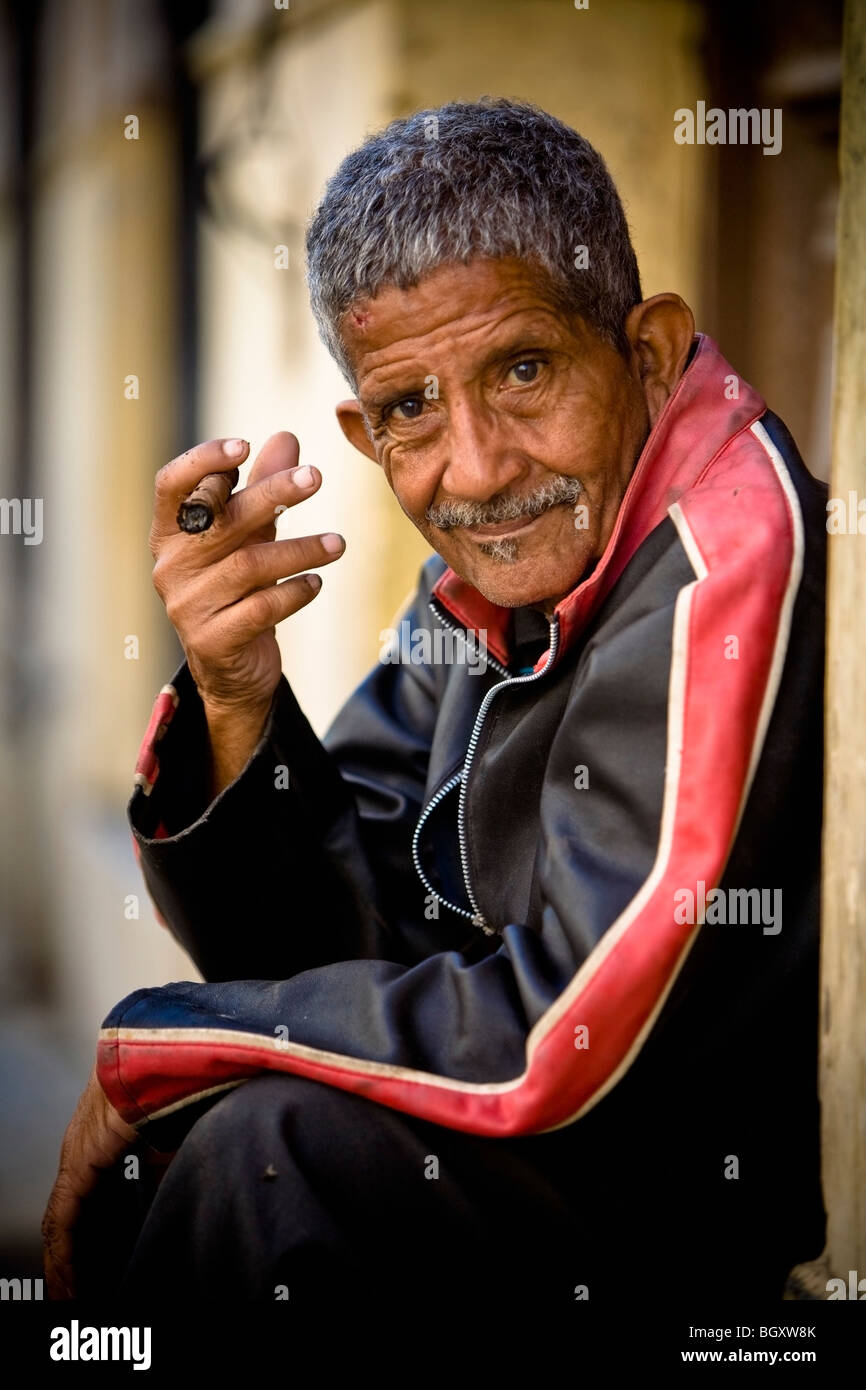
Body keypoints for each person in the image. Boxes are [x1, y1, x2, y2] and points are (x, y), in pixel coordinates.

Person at [43, 98, 827, 1308]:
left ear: (649, 352)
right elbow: (320, 951)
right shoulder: (489, 573)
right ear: (365, 433)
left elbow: (563, 1032)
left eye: (522, 370)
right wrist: (236, 691)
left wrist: (162, 1050)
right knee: (213, 1147)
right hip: (549, 1166)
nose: (474, 466)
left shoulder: (723, 549)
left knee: (268, 1161)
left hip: (679, 1213)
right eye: (411, 409)